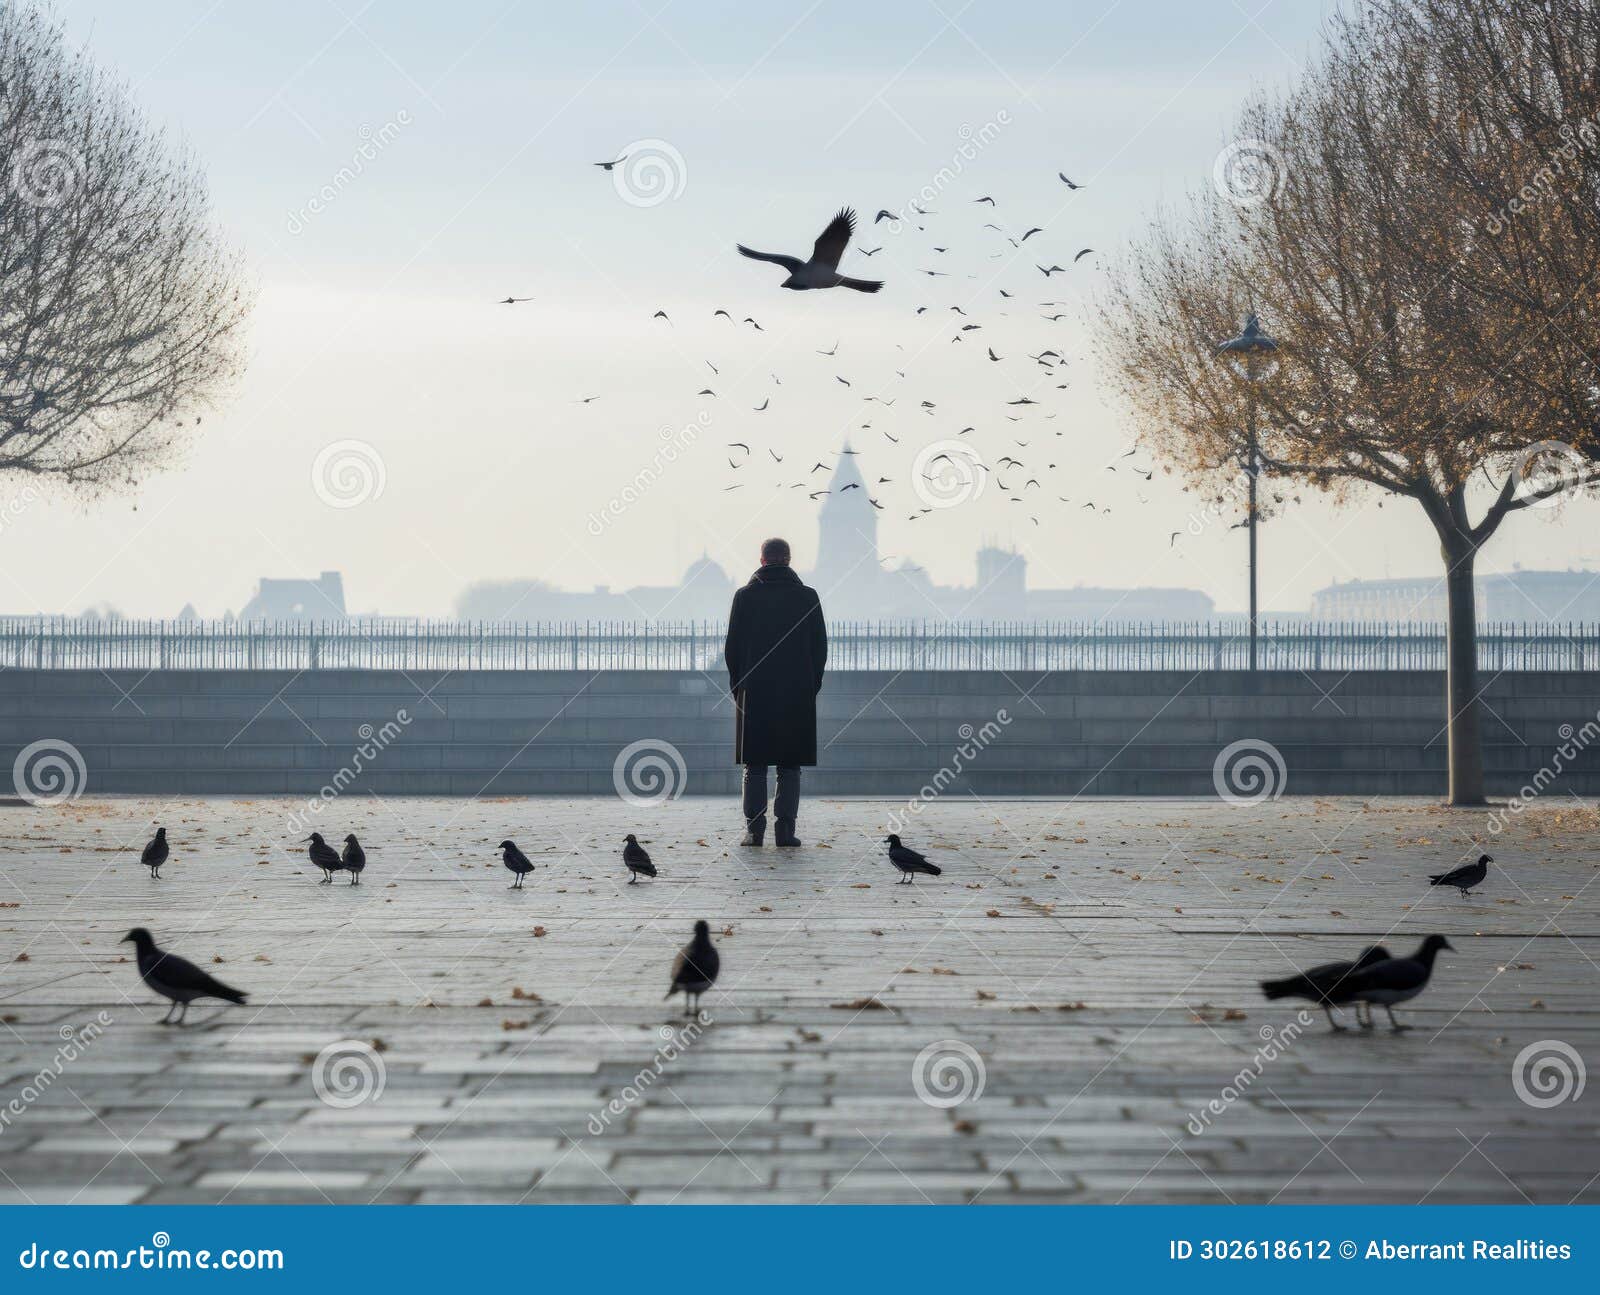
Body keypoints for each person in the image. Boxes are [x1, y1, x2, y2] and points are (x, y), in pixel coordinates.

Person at [722, 537, 828, 847]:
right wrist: (810, 686)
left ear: (762, 560)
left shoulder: (745, 597)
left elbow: (733, 650)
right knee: (790, 765)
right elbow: (819, 649)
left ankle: (755, 831)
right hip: (796, 693)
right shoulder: (807, 597)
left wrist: (739, 688)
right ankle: (786, 831)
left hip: (754, 692)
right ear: (789, 559)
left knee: (754, 765)